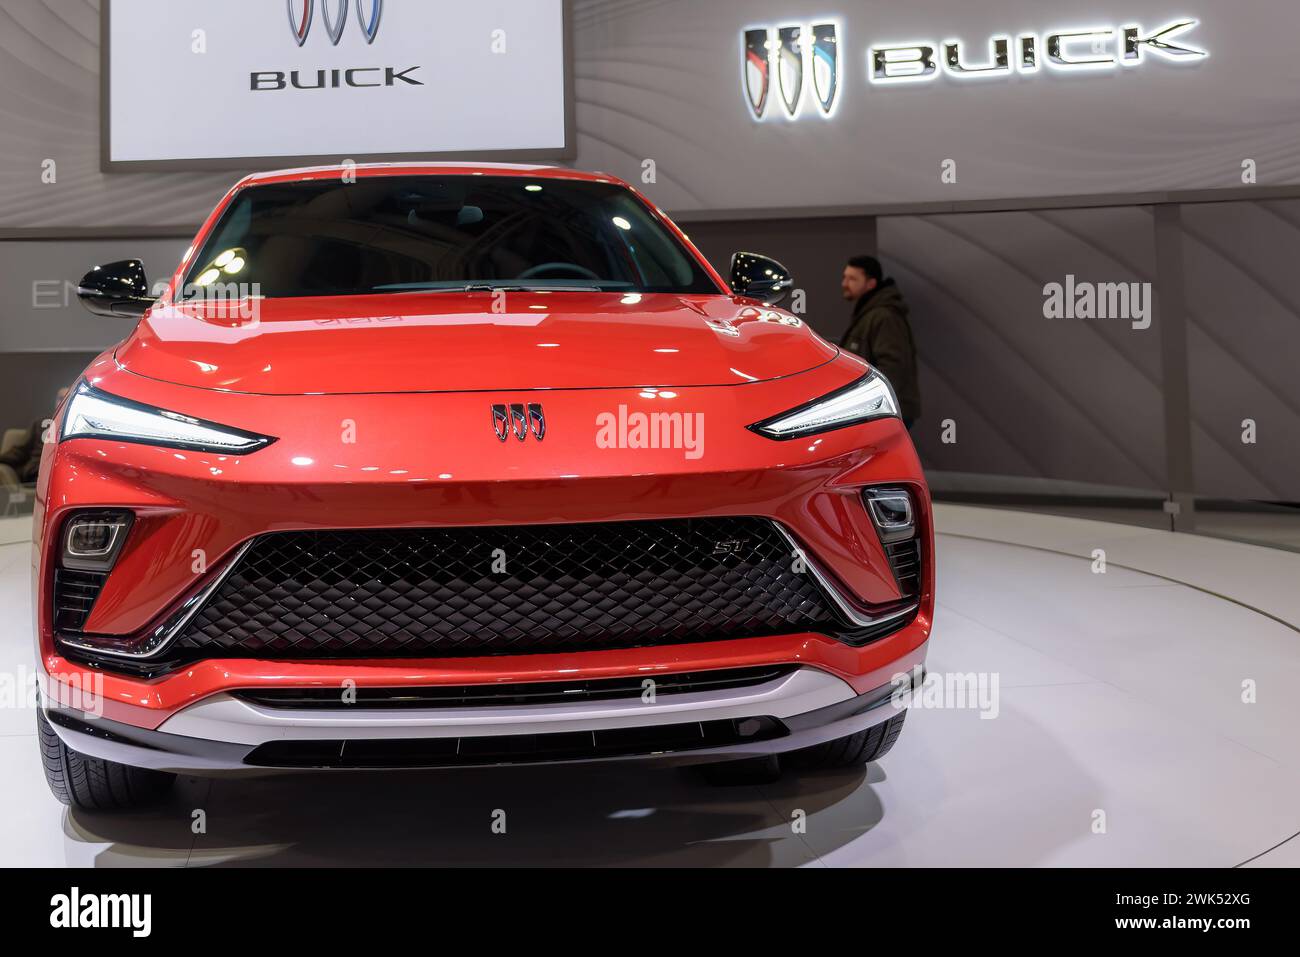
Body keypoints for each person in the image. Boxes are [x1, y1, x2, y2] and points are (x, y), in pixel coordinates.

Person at [840, 255, 921, 430]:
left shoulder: (884, 316)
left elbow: (893, 366)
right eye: (845, 277)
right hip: (879, 411)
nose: (845, 283)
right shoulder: (870, 313)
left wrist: (872, 405)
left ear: (871, 284)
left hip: (886, 412)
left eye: (852, 279)